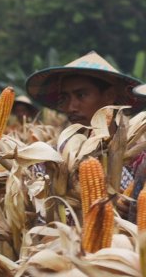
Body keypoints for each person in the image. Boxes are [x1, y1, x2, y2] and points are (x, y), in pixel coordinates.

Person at [26, 52, 142, 189]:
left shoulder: (138, 158)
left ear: (109, 95)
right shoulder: (50, 160)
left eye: (81, 95)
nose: (71, 107)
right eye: (65, 97)